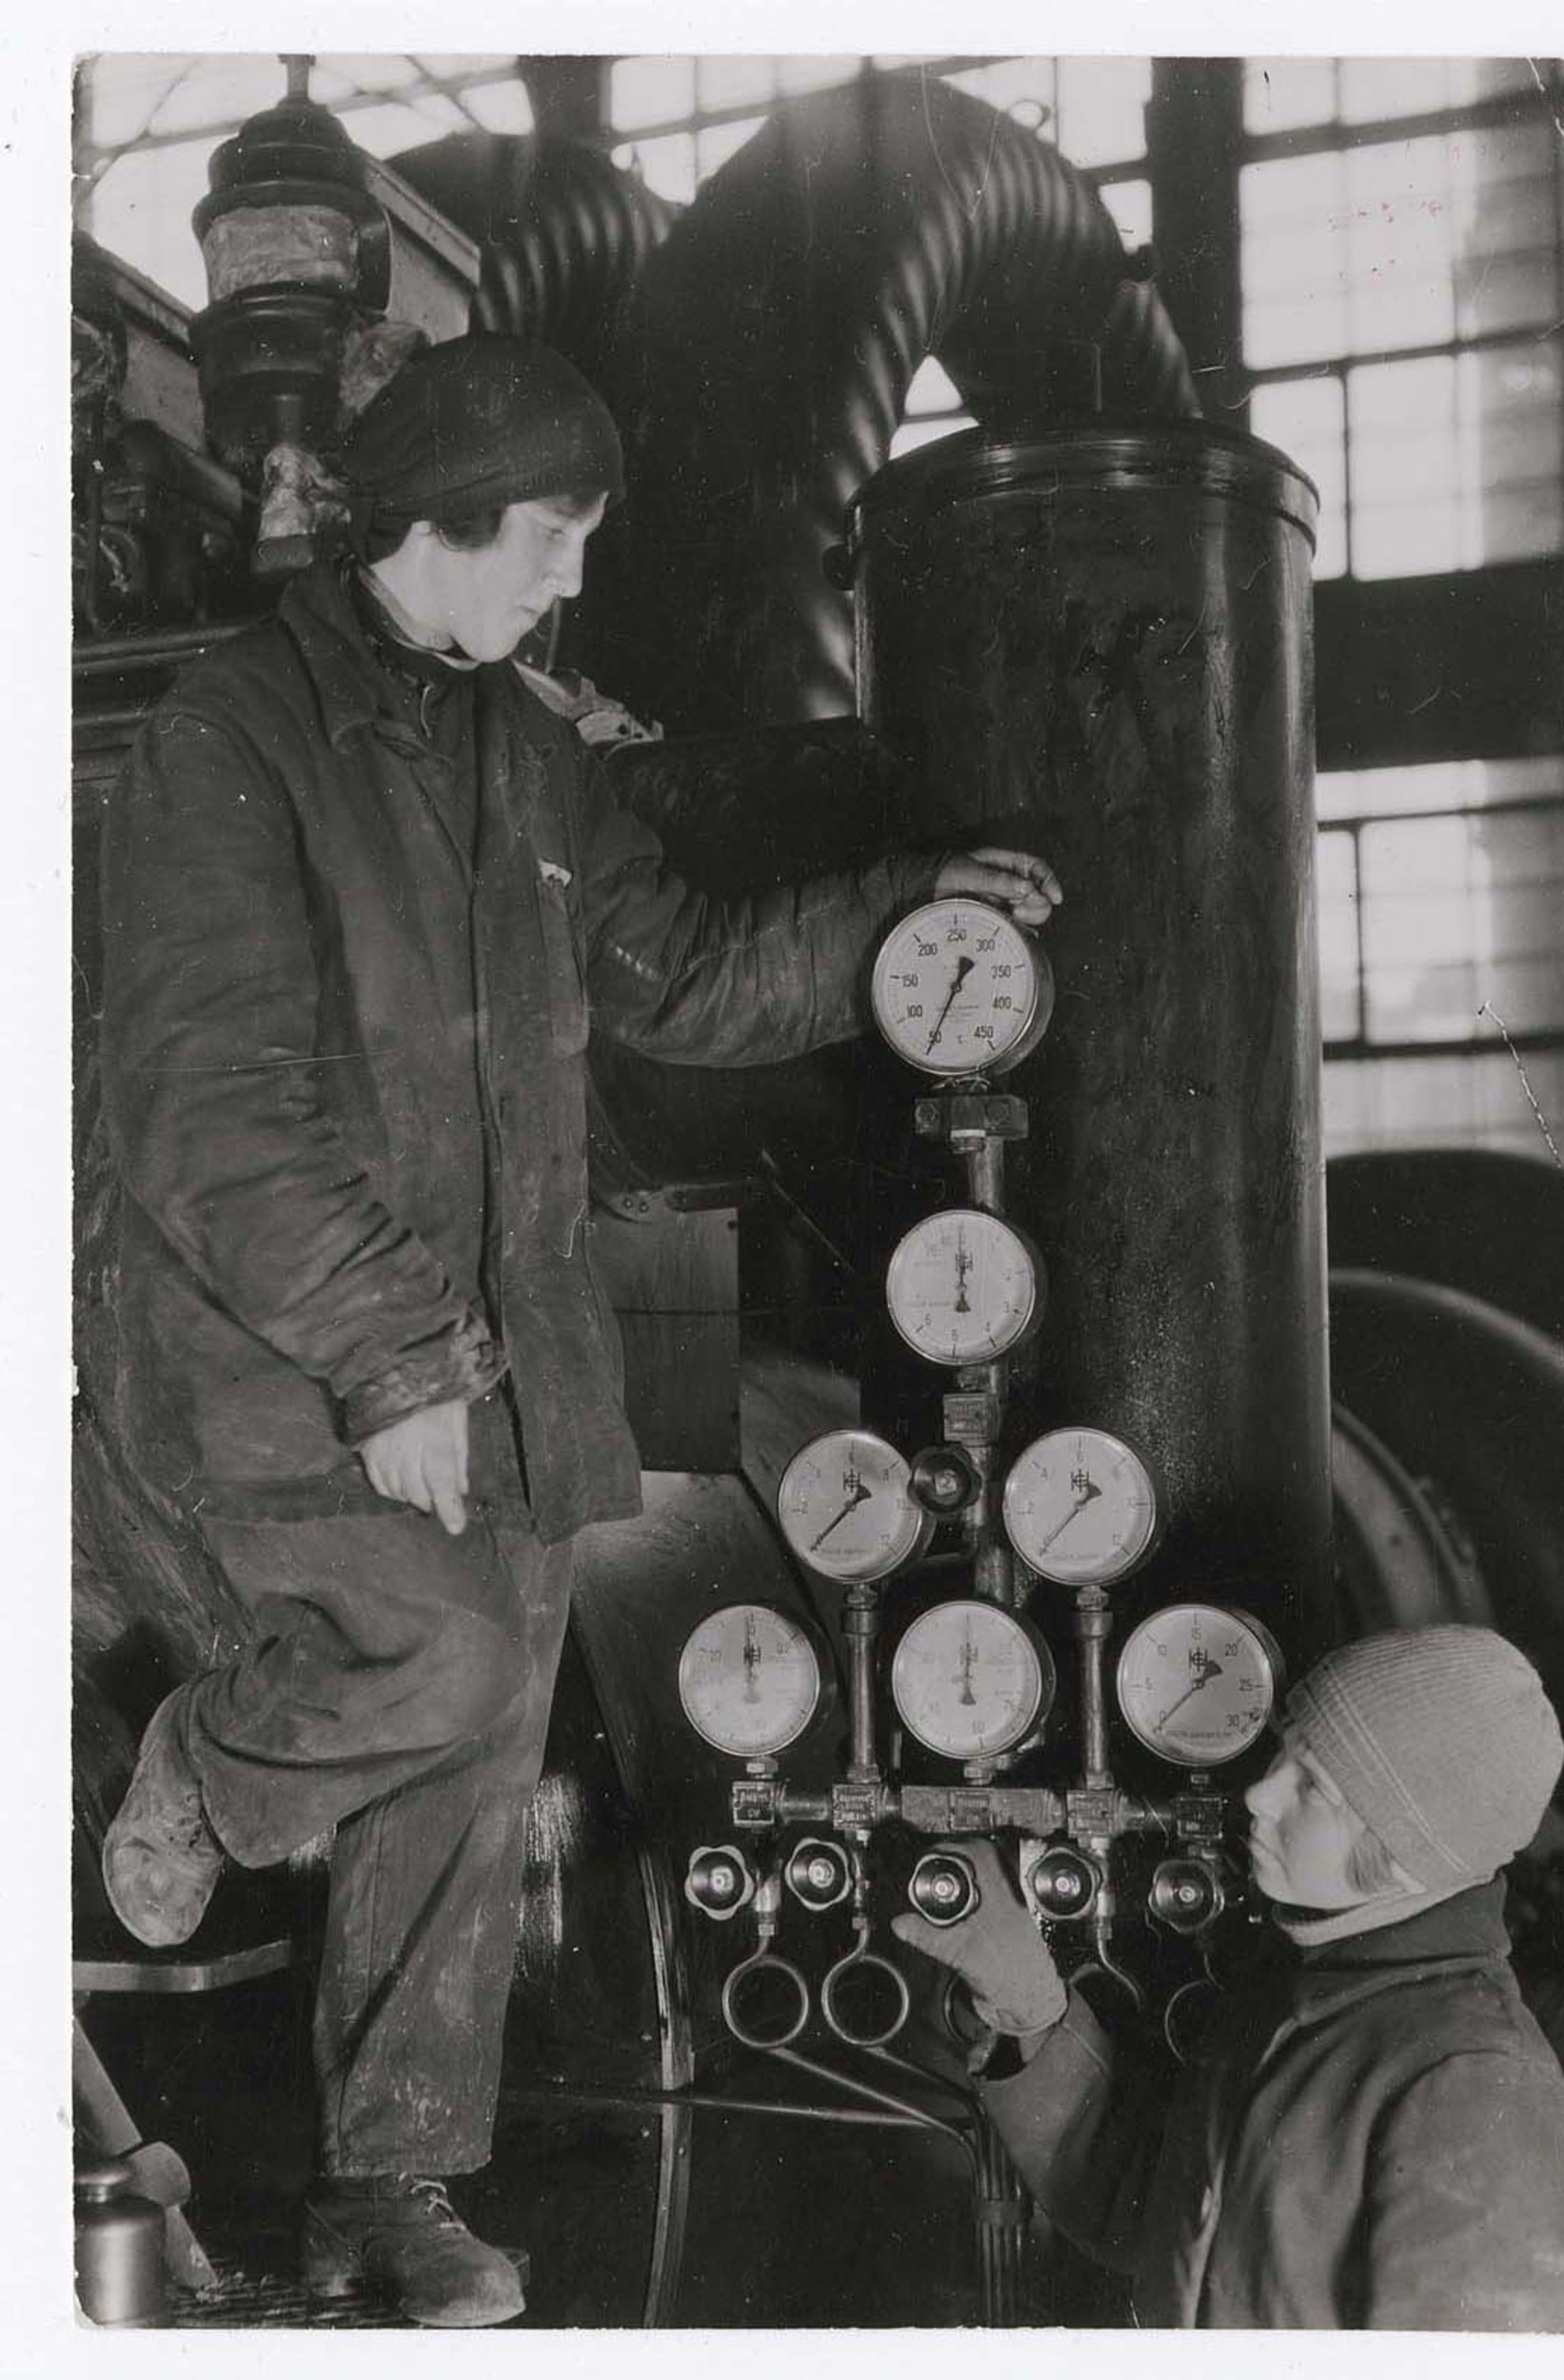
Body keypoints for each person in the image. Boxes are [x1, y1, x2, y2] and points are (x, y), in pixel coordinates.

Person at [95, 330, 1062, 2329]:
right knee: (437, 1658)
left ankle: (392, 2186)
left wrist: (893, 916)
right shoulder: (232, 737)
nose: (569, 579)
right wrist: (386, 1359)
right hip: (262, 1360)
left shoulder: (522, 746)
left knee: (476, 1746)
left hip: (496, 1357)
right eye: (549, 537)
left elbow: (685, 971)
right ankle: (209, 1751)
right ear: (437, 528)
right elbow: (208, 1107)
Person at [894, 1625, 1564, 2331]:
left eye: (1313, 1790)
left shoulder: (1476, 2093)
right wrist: (1033, 2011)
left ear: (1402, 1854)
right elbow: (1160, 2218)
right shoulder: (1304, 1983)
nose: (1261, 1796)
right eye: (1286, 1753)